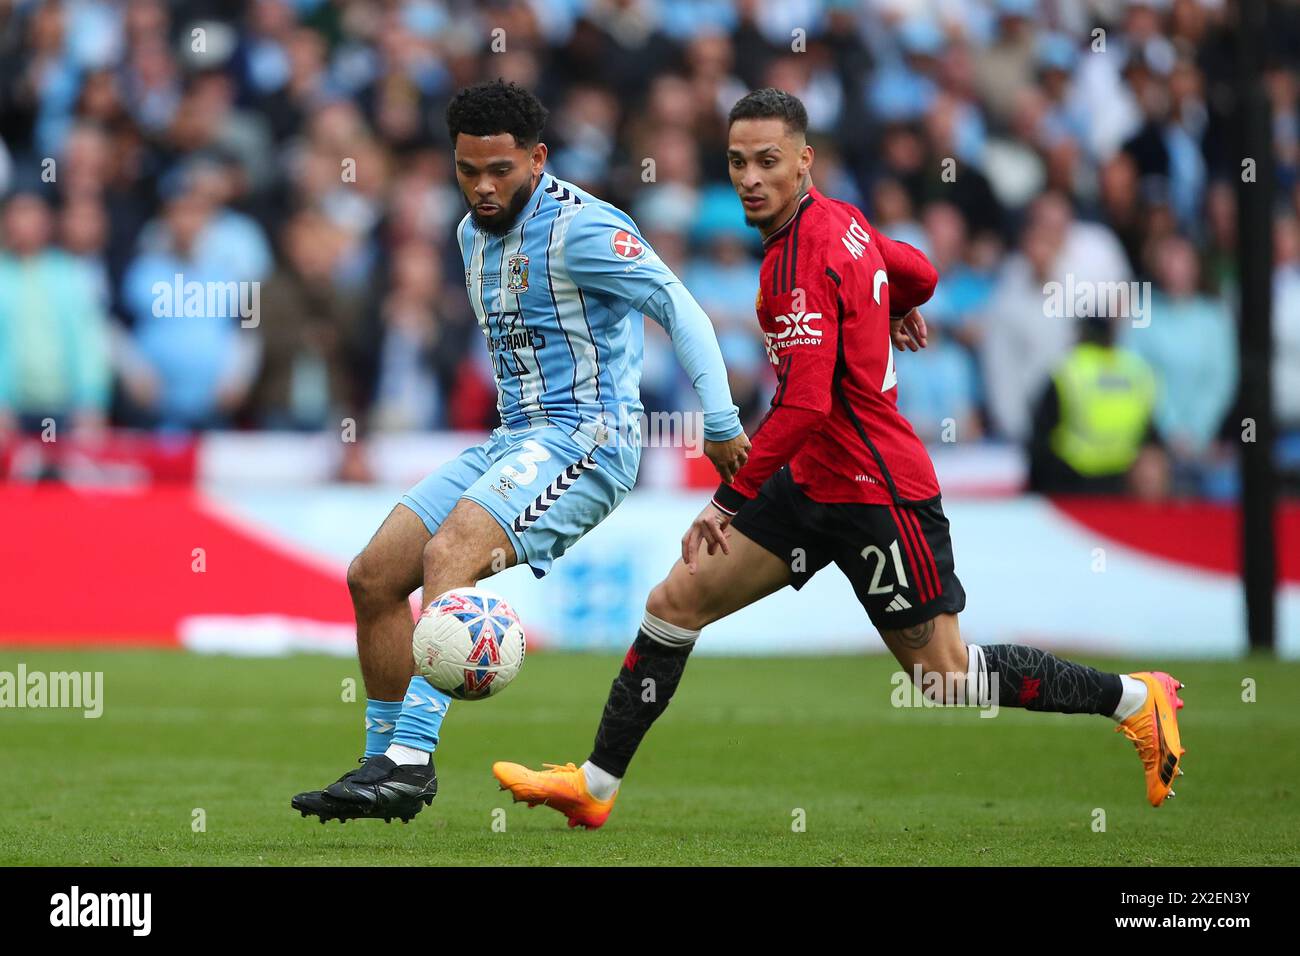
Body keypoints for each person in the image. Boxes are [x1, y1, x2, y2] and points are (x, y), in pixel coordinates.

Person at [493, 89, 1187, 829]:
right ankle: (594, 785)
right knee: (675, 603)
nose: (749, 178)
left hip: (878, 492)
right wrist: (891, 303)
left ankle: (1138, 700)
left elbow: (806, 405)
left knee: (945, 678)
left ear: (803, 162)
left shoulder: (800, 258)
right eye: (736, 162)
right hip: (810, 483)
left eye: (767, 161)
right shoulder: (845, 221)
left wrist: (724, 500)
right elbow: (919, 269)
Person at [290, 80, 750, 823]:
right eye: (468, 170)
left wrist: (721, 419)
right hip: (515, 438)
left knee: (450, 556)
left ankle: (410, 762)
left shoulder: (585, 230)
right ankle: (383, 761)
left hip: (588, 441)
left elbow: (677, 304)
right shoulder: (469, 233)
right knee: (372, 576)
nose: (483, 186)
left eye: (500, 169)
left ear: (537, 159)